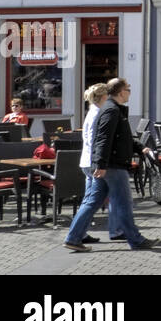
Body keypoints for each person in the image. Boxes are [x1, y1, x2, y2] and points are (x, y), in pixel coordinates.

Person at [66, 78, 156, 251]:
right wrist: (100, 164)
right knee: (123, 202)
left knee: (92, 201)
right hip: (112, 165)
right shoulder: (111, 111)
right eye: (128, 89)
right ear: (121, 92)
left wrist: (140, 147)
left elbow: (122, 137)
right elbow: (102, 139)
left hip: (108, 164)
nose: (130, 92)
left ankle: (74, 238)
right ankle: (136, 240)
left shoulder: (114, 110)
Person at [62, 83, 108, 247]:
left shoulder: (92, 112)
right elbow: (94, 140)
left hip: (87, 161)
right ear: (104, 97)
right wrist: (99, 162)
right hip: (93, 162)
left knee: (89, 200)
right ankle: (73, 237)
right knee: (94, 200)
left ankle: (80, 234)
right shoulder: (98, 114)